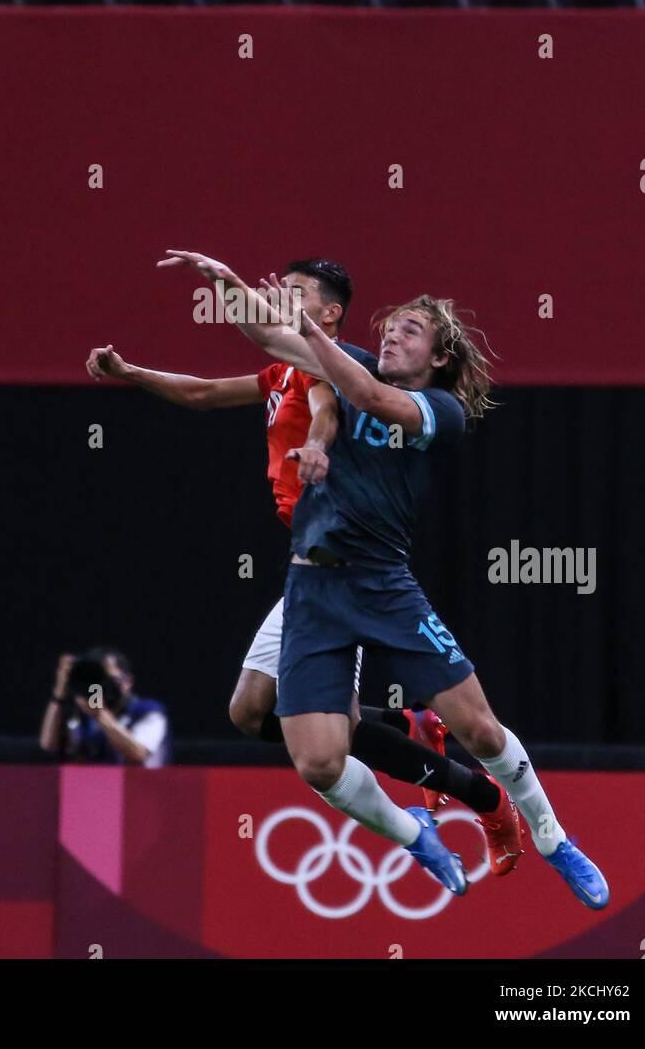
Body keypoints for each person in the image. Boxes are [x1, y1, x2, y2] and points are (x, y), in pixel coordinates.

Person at [158, 251, 609, 911]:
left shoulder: (438, 410)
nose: (391, 335)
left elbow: (367, 396)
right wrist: (223, 281)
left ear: (440, 359)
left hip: (383, 586)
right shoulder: (347, 365)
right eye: (389, 326)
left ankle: (551, 836)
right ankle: (412, 834)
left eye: (409, 331)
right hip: (312, 590)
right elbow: (263, 335)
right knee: (316, 760)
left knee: (480, 731)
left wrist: (311, 335)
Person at [90, 258, 520, 893]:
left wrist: (317, 446)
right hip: (307, 567)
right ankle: (410, 727)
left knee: (328, 737)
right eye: (274, 293)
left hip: (344, 571)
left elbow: (326, 412)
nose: (274, 302)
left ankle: (477, 796)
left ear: (327, 318)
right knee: (250, 712)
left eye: (292, 296)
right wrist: (132, 374)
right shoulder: (280, 371)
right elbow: (204, 393)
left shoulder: (332, 373)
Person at [40, 646, 170, 767]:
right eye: (98, 681)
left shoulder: (148, 711)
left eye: (110, 679)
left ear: (128, 681)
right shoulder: (83, 714)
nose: (103, 687)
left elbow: (138, 754)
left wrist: (99, 714)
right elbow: (49, 744)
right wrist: (59, 694)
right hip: (98, 787)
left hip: (142, 787)